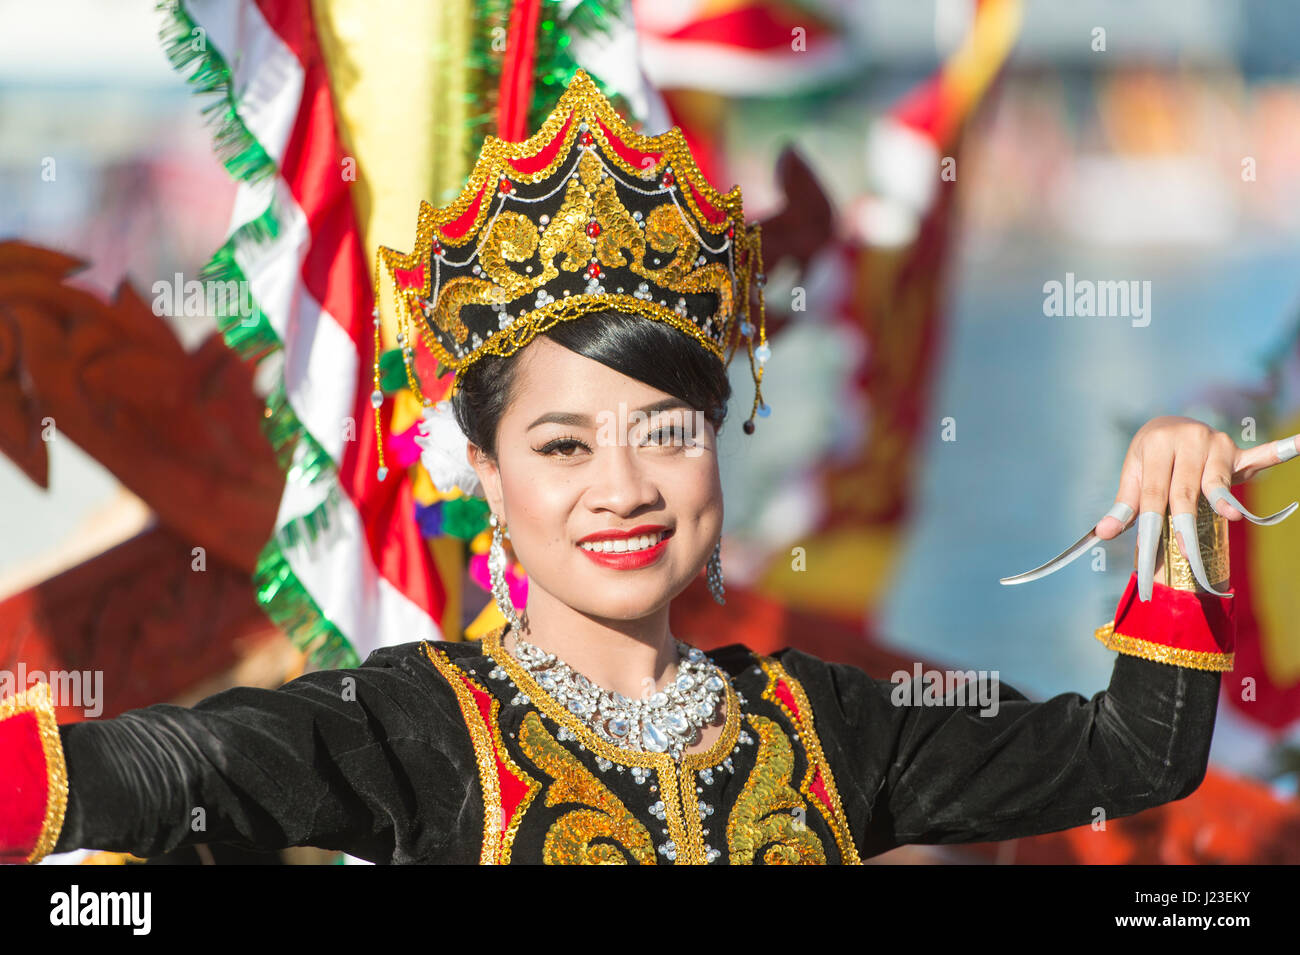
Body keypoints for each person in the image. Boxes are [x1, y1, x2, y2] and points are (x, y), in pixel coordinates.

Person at [0, 70, 1274, 866]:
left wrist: (1179, 513)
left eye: (665, 431)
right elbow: (170, 771)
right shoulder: (418, 729)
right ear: (487, 479)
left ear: (717, 450)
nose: (621, 484)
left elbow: (1129, 761)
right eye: (561, 445)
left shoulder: (828, 726)